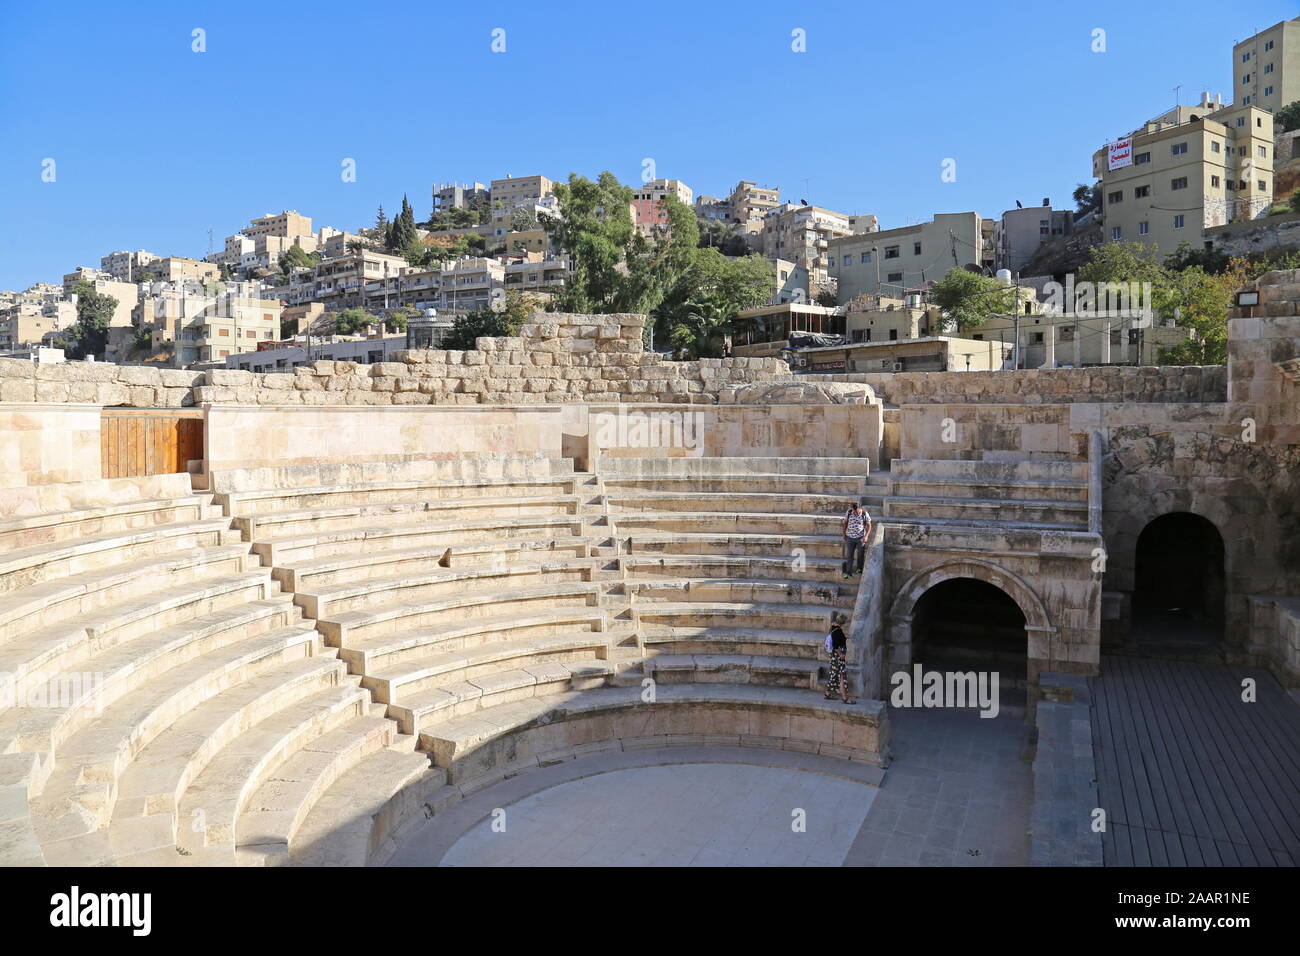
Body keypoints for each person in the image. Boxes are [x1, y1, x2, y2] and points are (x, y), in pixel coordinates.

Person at [823, 613, 856, 704]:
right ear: (843, 622)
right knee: (842, 676)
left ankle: (827, 693)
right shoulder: (838, 631)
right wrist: (841, 654)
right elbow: (835, 646)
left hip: (834, 657)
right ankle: (845, 698)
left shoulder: (833, 627)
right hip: (838, 657)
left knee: (834, 675)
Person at [840, 501, 871, 579]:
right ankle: (848, 573)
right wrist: (844, 534)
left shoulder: (864, 513)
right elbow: (845, 523)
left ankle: (859, 569)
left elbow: (869, 526)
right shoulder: (849, 512)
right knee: (849, 555)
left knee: (860, 555)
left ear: (859, 509)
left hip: (860, 538)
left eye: (856, 511)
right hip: (850, 537)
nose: (854, 512)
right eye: (853, 511)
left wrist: (866, 536)